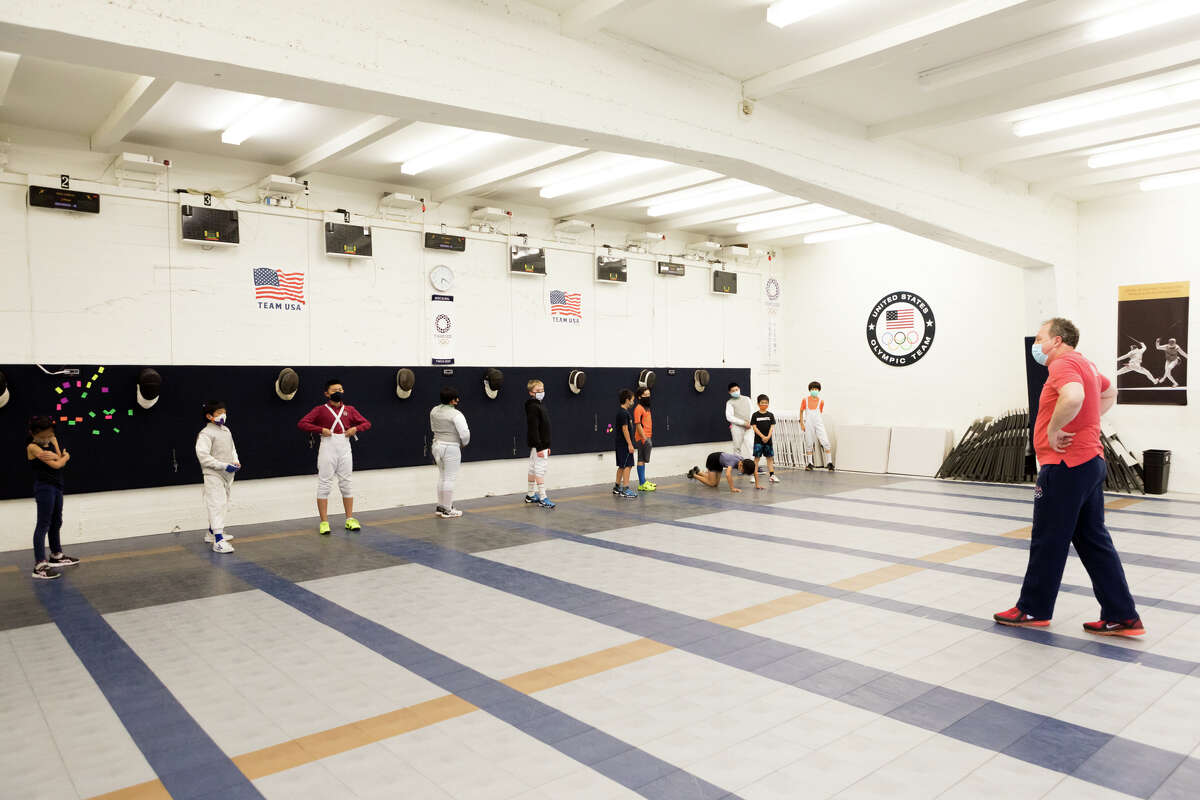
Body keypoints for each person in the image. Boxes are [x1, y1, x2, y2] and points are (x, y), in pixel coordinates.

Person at [994, 317, 1144, 637]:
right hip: (1090, 462)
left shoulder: (1062, 364)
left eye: (1040, 338)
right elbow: (1110, 392)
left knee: (1048, 539)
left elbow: (1073, 397)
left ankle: (1033, 609)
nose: (1037, 345)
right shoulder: (1085, 364)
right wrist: (1085, 422)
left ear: (1057, 341)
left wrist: (1054, 429)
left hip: (1064, 466)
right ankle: (1122, 615)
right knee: (1093, 541)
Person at [298, 378, 372, 534]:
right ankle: (324, 522)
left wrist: (355, 429)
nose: (338, 392)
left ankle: (349, 519)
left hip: (345, 448)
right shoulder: (320, 410)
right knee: (324, 484)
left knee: (347, 483)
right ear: (327, 393)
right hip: (327, 448)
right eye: (334, 390)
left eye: (340, 389)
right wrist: (320, 430)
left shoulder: (350, 409)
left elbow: (367, 423)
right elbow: (302, 423)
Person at [26, 416, 79, 580]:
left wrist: (55, 447)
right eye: (44, 436)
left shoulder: (50, 443)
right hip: (44, 488)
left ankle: (56, 555)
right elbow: (57, 464)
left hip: (57, 486)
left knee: (56, 521)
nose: (47, 438)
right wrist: (65, 457)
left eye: (50, 434)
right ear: (34, 433)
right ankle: (39, 565)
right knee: (43, 524)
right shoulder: (33, 447)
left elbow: (57, 458)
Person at [195, 401, 240, 553]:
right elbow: (203, 457)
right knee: (216, 504)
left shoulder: (226, 430)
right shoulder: (206, 434)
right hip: (213, 474)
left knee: (223, 504)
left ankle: (211, 533)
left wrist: (235, 461)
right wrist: (222, 465)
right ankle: (218, 541)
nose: (223, 415)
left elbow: (232, 449)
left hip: (227, 475)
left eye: (224, 412)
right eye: (219, 412)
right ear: (209, 416)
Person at [430, 386, 470, 519]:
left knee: (442, 476)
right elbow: (465, 434)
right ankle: (447, 509)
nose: (458, 400)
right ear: (452, 400)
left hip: (436, 445)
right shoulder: (456, 414)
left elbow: (433, 427)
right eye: (456, 398)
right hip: (451, 447)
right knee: (449, 478)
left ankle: (441, 506)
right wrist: (464, 443)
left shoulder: (434, 411)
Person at [524, 378, 555, 509]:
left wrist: (545, 445)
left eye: (542, 390)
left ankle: (531, 495)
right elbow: (534, 429)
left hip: (538, 445)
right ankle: (543, 498)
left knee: (532, 468)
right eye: (538, 390)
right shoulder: (534, 407)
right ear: (531, 392)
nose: (541, 392)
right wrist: (541, 447)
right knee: (540, 470)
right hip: (539, 445)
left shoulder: (538, 405)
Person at [801, 381, 834, 471]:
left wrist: (816, 421)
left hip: (819, 423)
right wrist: (802, 423)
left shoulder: (821, 402)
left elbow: (820, 412)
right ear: (810, 390)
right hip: (809, 423)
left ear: (819, 390)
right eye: (812, 389)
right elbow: (801, 411)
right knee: (809, 442)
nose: (814, 390)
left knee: (825, 442)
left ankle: (829, 462)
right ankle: (810, 463)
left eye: (816, 389)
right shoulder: (805, 400)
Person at [686, 452, 757, 492]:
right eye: (742, 471)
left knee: (716, 484)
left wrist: (757, 485)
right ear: (741, 465)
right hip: (713, 460)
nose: (741, 472)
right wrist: (732, 488)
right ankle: (693, 474)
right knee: (712, 483)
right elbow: (728, 475)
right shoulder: (732, 462)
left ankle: (698, 472)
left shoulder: (743, 461)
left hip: (719, 462)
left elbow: (754, 471)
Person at [613, 389, 638, 498]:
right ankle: (625, 489)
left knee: (622, 466)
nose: (633, 402)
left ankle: (617, 487)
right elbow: (625, 429)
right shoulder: (623, 413)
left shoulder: (622, 412)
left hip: (620, 443)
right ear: (627, 400)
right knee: (628, 465)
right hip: (624, 444)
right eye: (632, 400)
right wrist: (630, 444)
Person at [751, 394, 779, 485]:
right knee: (757, 459)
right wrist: (762, 437)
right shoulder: (755, 415)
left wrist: (768, 437)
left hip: (768, 441)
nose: (764, 404)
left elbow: (772, 427)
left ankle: (772, 476)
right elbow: (754, 428)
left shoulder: (770, 415)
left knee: (770, 458)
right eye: (762, 403)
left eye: (766, 403)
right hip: (758, 441)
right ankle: (754, 476)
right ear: (758, 404)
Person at [634, 385, 655, 492]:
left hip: (647, 436)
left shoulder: (646, 408)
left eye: (649, 395)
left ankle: (643, 481)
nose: (648, 397)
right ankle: (642, 484)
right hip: (642, 437)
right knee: (641, 459)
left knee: (643, 459)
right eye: (645, 395)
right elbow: (638, 425)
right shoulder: (638, 409)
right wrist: (644, 438)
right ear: (639, 397)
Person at [725, 382, 753, 461]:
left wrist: (750, 423)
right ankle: (738, 465)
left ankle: (754, 465)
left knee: (751, 445)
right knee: (737, 447)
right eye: (733, 391)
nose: (735, 392)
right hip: (737, 427)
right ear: (730, 392)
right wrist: (743, 423)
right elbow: (729, 417)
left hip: (749, 426)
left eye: (736, 390)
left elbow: (752, 411)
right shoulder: (730, 402)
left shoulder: (747, 399)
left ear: (739, 389)